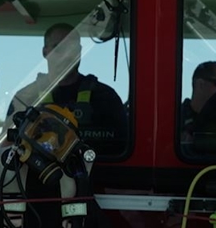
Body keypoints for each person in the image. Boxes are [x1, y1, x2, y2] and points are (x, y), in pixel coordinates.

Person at [9, 23, 128, 156]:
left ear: (80, 51)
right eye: (58, 47)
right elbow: (7, 148)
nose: (66, 54)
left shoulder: (106, 98)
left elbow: (123, 147)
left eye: (71, 47)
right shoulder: (25, 98)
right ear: (45, 52)